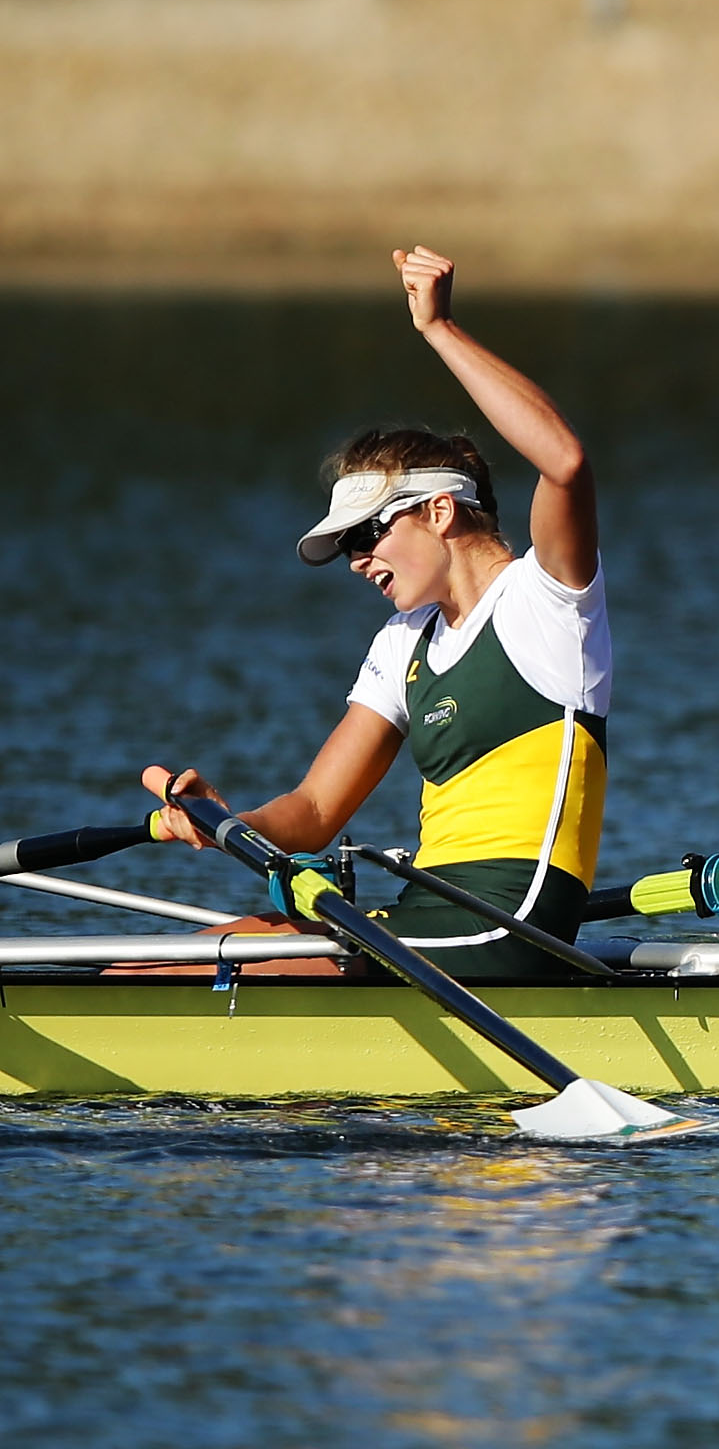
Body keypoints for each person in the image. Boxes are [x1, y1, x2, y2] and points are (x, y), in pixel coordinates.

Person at [143, 247, 613, 981]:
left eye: (366, 536)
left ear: (439, 510)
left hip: (509, 926)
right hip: (430, 914)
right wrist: (223, 822)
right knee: (141, 972)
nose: (358, 562)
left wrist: (439, 328)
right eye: (345, 549)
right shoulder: (403, 643)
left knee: (181, 978)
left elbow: (565, 463)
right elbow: (315, 811)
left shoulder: (547, 601)